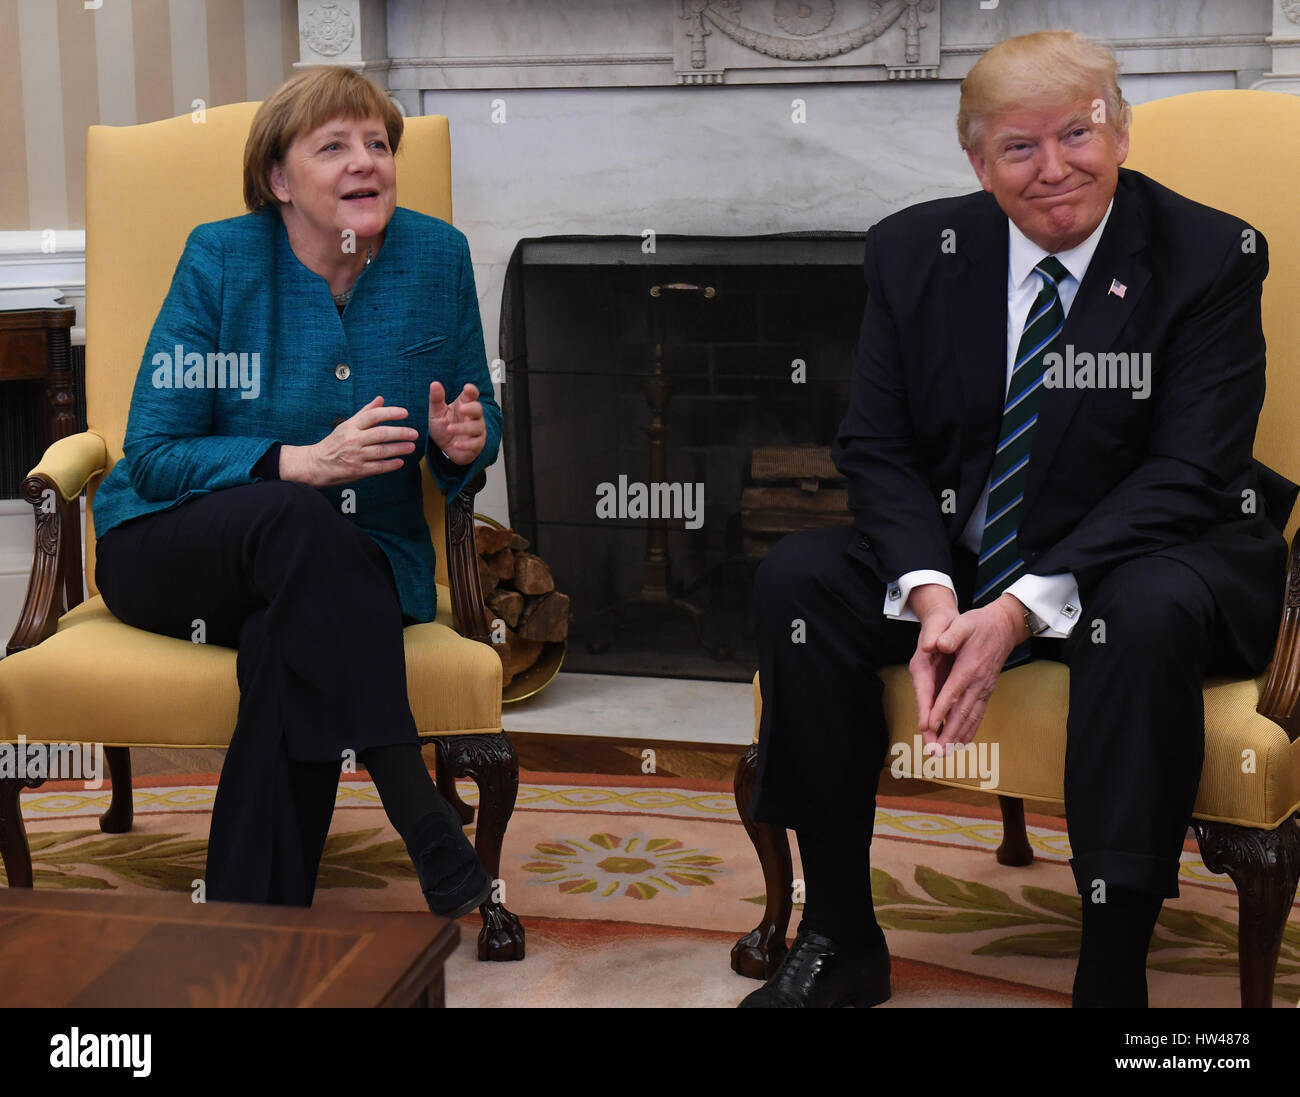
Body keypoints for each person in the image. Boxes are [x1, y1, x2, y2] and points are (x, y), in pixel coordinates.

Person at [744, 30, 1289, 1007]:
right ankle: (838, 932)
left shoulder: (1208, 255)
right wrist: (934, 587)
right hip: (969, 548)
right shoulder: (915, 250)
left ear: (1117, 131)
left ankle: (1111, 968)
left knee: (1146, 610)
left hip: (1150, 544)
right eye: (1018, 147)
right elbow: (877, 444)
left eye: (1076, 134)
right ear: (977, 162)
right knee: (799, 580)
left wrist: (1018, 610)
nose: (1054, 170)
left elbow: (1188, 470)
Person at [91, 66, 503, 918]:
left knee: (294, 634)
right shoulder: (221, 259)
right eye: (334, 147)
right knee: (293, 510)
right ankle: (411, 798)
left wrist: (467, 440)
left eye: (379, 144)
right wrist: (300, 462)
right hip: (175, 547)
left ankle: (255, 927)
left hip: (360, 566)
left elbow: (475, 413)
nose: (367, 162)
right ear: (279, 181)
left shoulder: (439, 258)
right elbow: (155, 455)